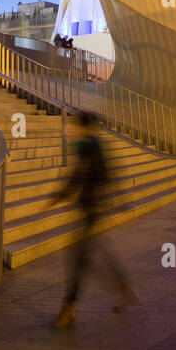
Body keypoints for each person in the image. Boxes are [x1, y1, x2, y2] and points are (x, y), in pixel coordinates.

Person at [53, 112, 137, 329]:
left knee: (78, 257)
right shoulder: (86, 147)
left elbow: (103, 176)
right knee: (93, 254)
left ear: (84, 128)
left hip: (92, 209)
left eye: (74, 126)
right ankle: (123, 285)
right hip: (88, 208)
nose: (70, 129)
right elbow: (79, 177)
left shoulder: (93, 149)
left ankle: (69, 308)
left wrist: (124, 207)